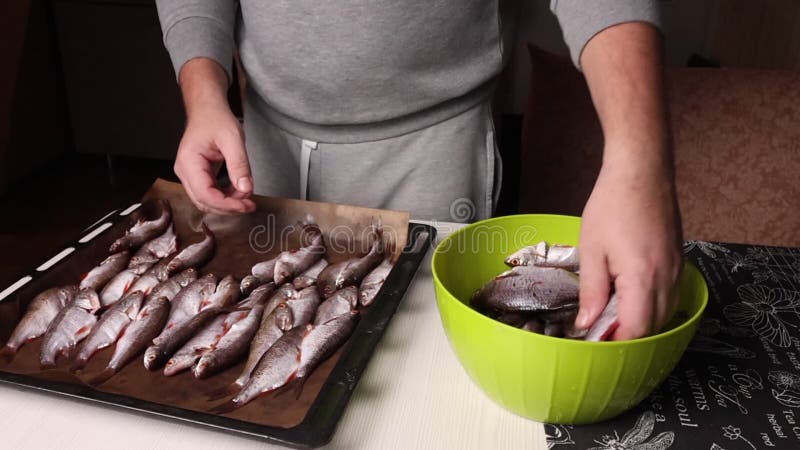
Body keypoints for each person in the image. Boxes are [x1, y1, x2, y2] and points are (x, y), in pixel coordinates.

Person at [154, 1, 682, 341]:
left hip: (431, 151)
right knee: (266, 329)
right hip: (264, 144)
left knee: (417, 349)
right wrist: (203, 96)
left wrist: (640, 166)